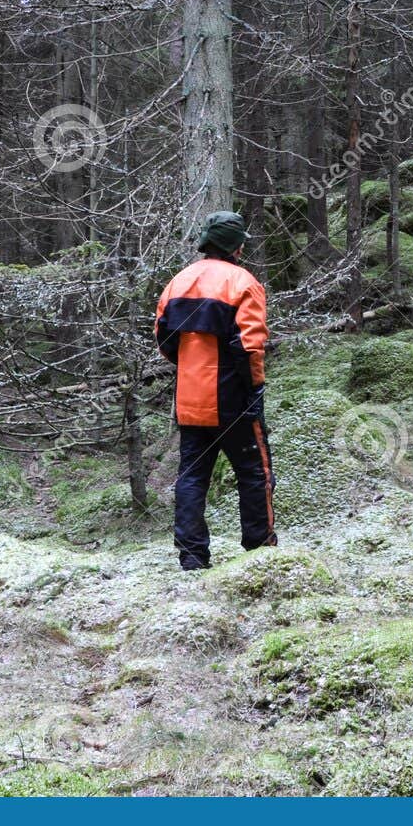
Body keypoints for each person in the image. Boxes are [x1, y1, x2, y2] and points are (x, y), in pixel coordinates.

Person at [154, 211, 275, 570]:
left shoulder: (179, 281)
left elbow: (164, 338)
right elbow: (250, 345)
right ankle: (260, 550)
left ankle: (192, 558)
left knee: (192, 475)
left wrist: (191, 366)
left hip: (190, 397)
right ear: (237, 245)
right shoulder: (244, 282)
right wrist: (254, 388)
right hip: (233, 397)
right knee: (254, 471)